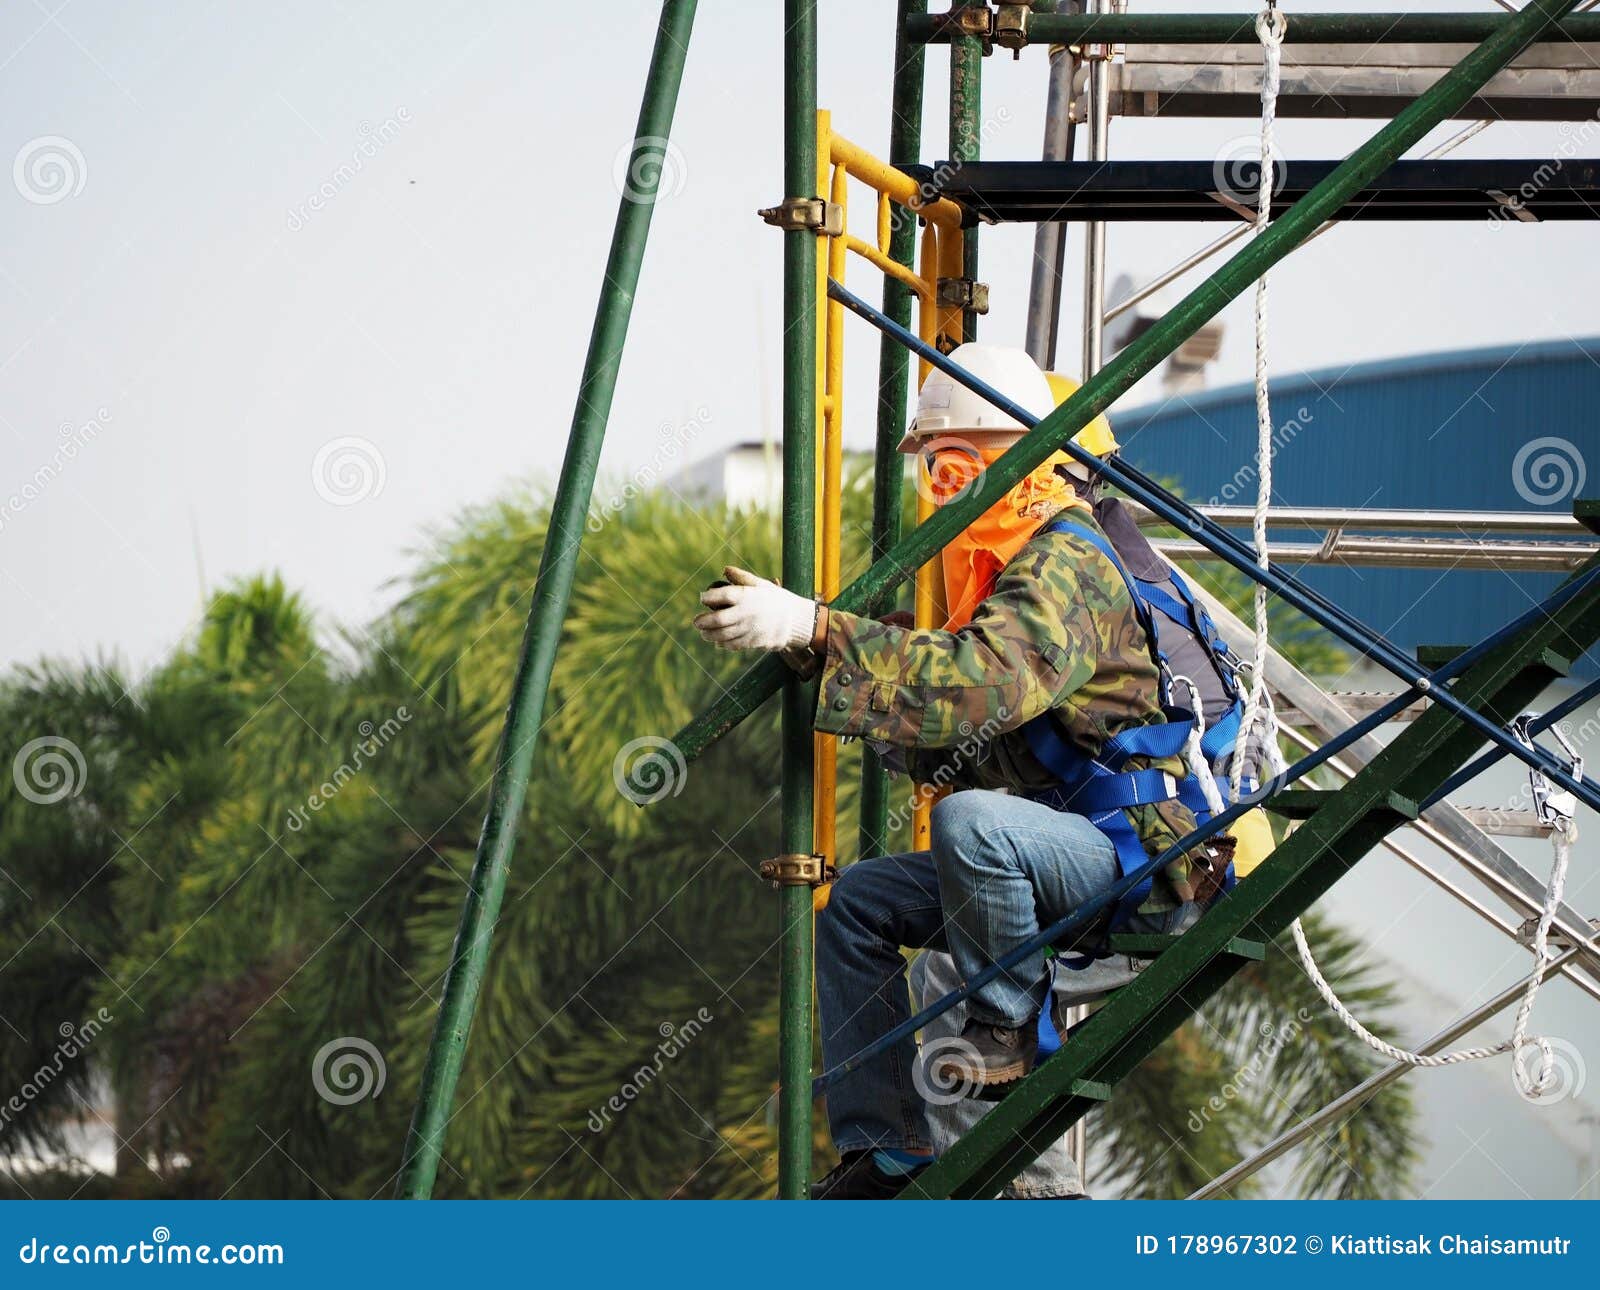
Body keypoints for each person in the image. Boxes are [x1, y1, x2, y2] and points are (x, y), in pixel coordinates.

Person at [692, 344, 1231, 1200]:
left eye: (953, 469)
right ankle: (887, 1147)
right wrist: (810, 646)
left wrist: (824, 628)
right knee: (860, 905)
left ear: (1012, 458)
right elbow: (952, 734)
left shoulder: (1067, 561)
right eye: (935, 474)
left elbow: (981, 687)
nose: (943, 493)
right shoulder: (1006, 573)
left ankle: (1006, 1025)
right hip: (1066, 846)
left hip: (1141, 855)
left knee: (970, 821)